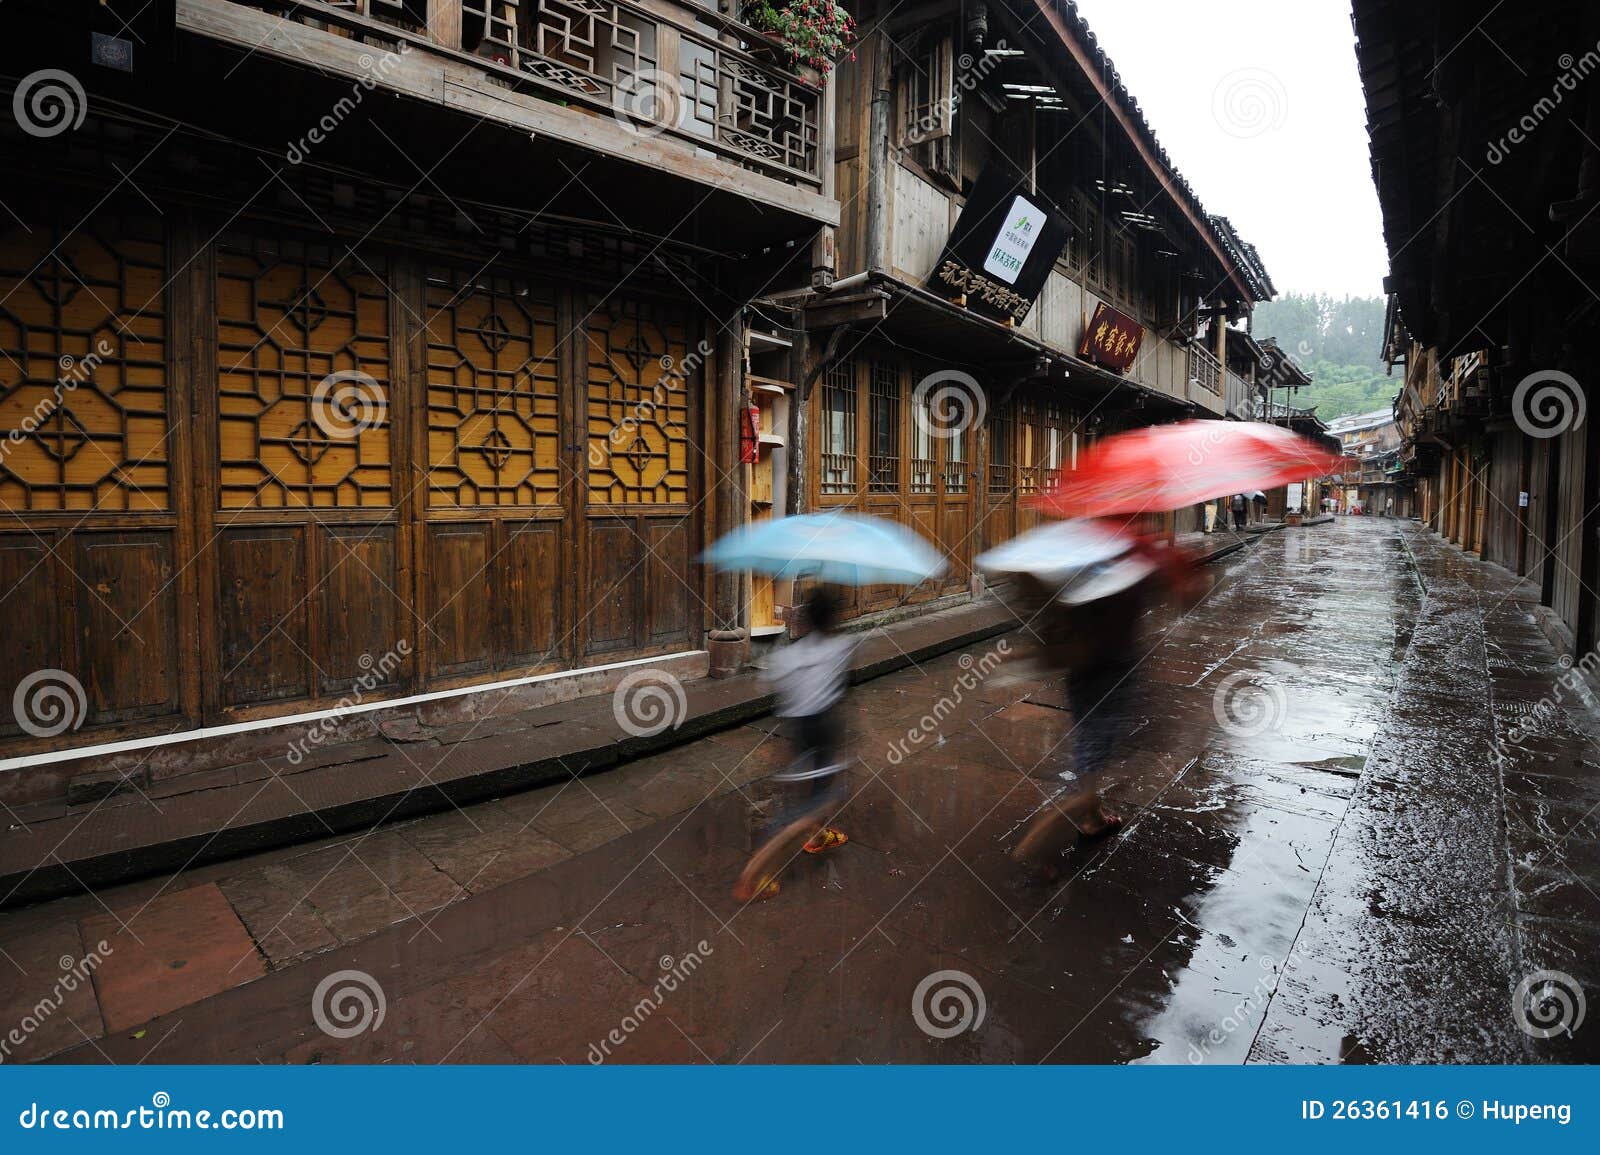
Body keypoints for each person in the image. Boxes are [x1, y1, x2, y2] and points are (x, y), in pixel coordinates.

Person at [732, 586, 855, 902]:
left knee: (810, 795)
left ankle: (817, 835)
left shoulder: (786, 658)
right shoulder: (841, 648)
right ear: (832, 621)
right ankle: (752, 874)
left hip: (798, 732)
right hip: (826, 731)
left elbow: (773, 687)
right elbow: (840, 692)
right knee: (815, 805)